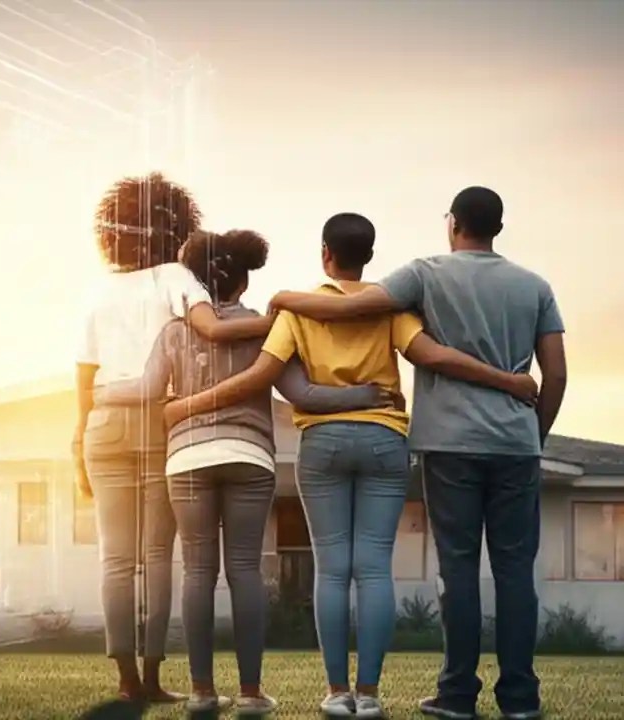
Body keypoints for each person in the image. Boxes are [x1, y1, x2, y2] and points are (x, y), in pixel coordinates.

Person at [163, 213, 538, 719]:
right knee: (374, 567)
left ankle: (338, 693)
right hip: (385, 440)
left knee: (333, 570)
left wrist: (184, 407)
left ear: (325, 253)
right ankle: (370, 694)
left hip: (323, 444)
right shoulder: (392, 310)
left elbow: (267, 376)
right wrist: (506, 380)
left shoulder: (298, 311)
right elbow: (431, 354)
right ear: (369, 255)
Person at [269, 188, 568, 720]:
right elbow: (557, 374)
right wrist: (533, 436)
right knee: (515, 572)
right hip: (513, 445)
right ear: (498, 226)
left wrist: (286, 298)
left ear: (452, 223)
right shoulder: (535, 286)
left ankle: (455, 696)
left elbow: (357, 305)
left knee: (456, 570)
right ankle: (520, 700)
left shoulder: (424, 275)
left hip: (448, 444)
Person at [95, 228, 401, 716]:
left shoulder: (173, 331)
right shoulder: (266, 326)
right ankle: (252, 694)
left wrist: (104, 392)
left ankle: (200, 692)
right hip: (250, 457)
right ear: (242, 281)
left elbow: (150, 390)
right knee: (244, 570)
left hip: (187, 458)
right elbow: (304, 394)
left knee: (196, 570)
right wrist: (361, 395)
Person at [74, 173, 274, 705]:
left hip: (101, 421)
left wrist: (80, 436)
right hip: (161, 421)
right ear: (177, 229)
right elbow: (213, 329)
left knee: (115, 558)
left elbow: (83, 374)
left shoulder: (96, 291)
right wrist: (273, 326)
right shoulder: (176, 276)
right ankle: (157, 675)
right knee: (159, 554)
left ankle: (125, 682)